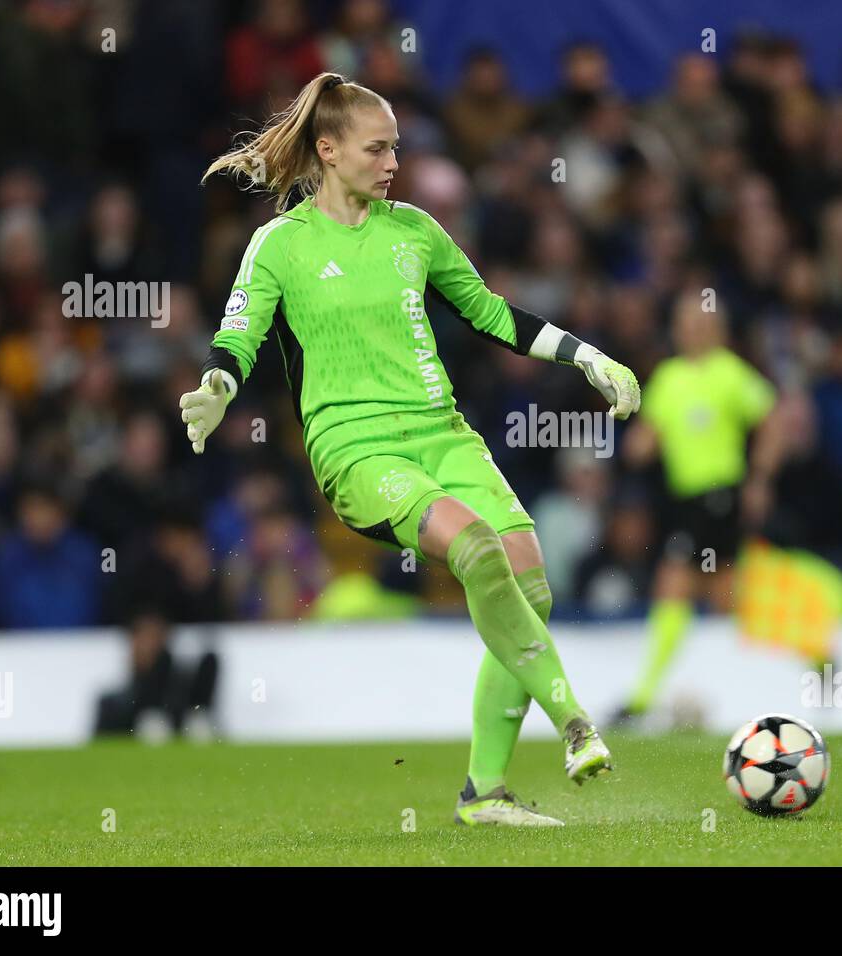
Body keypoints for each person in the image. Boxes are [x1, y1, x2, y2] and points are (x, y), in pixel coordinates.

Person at [180, 73, 641, 827]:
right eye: (378, 148)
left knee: (532, 587)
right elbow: (238, 337)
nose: (396, 161)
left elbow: (490, 313)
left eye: (398, 146)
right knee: (478, 551)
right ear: (327, 150)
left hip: (441, 431)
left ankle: (483, 794)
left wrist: (586, 356)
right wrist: (218, 387)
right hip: (355, 448)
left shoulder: (415, 232)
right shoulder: (279, 246)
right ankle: (576, 722)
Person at [614, 293, 780, 724]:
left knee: (674, 583)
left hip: (719, 495)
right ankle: (763, 680)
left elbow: (773, 421)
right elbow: (646, 440)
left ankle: (645, 695)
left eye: (700, 324)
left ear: (717, 330)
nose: (692, 331)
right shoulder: (669, 377)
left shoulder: (730, 373)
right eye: (685, 324)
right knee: (724, 593)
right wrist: (633, 434)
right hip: (683, 501)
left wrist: (760, 478)